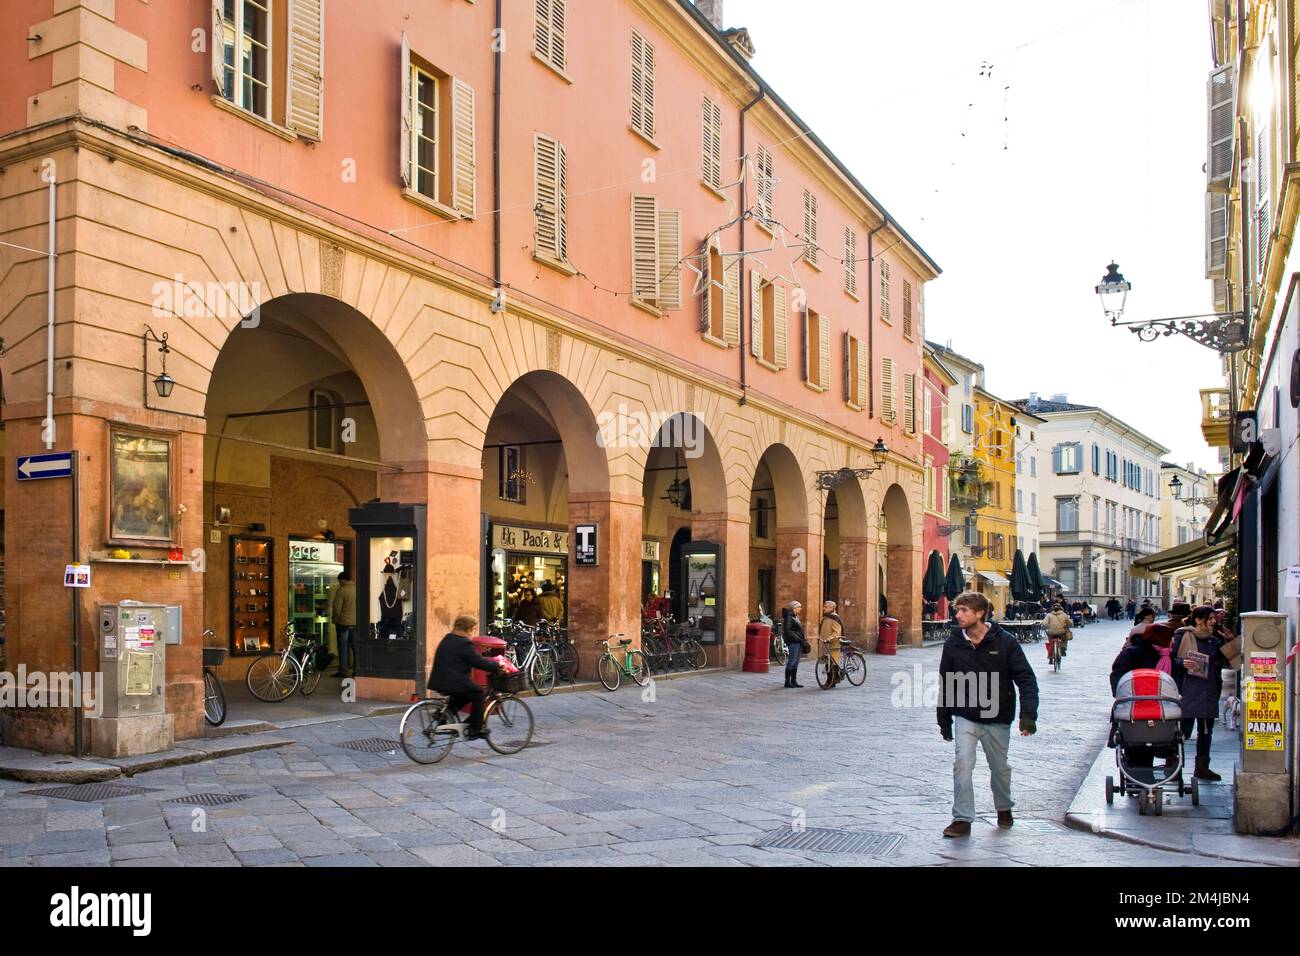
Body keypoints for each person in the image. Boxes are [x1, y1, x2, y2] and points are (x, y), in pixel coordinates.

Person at [937, 591, 1039, 838]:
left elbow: (1026, 679)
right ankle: (962, 819)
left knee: (999, 768)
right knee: (962, 763)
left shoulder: (1005, 642)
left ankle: (1004, 808)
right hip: (966, 715)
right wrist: (944, 720)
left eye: (964, 610)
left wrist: (1028, 715)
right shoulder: (953, 643)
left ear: (980, 613)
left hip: (998, 716)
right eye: (957, 610)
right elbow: (946, 682)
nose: (958, 615)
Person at [1173, 606, 1238, 781]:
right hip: (1187, 691)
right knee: (1182, 732)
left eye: (1213, 618)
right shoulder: (1182, 635)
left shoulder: (1214, 640)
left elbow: (1232, 662)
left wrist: (1230, 642)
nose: (1213, 621)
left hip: (1208, 690)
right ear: (1198, 619)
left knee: (1206, 731)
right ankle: (1174, 768)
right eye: (1210, 618)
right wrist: (1182, 662)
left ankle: (1202, 768)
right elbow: (1169, 659)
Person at [1109, 622, 1182, 768]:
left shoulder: (1170, 659)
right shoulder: (1133, 653)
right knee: (1137, 747)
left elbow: (1174, 682)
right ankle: (1141, 781)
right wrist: (1122, 694)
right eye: (1171, 637)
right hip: (1135, 708)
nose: (1173, 641)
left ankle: (1144, 780)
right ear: (1161, 638)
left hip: (1161, 711)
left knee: (1158, 741)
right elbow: (1117, 674)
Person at [427, 614, 502, 739]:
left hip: (440, 680)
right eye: (473, 629)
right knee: (478, 694)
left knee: (462, 696)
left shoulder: (448, 638)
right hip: (453, 681)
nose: (473, 632)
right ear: (468, 628)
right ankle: (474, 729)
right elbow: (477, 661)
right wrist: (496, 665)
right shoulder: (464, 643)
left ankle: (442, 716)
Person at [331, 571, 357, 678]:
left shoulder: (341, 591)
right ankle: (356, 670)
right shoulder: (357, 589)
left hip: (343, 623)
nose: (339, 583)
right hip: (355, 623)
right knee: (355, 647)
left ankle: (343, 670)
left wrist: (335, 619)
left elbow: (337, 608)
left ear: (342, 579)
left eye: (339, 580)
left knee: (343, 647)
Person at [781, 601, 810, 688]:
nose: (800, 609)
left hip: (798, 642)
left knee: (796, 662)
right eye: (799, 607)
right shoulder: (789, 617)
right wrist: (798, 639)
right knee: (792, 661)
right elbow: (788, 631)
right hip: (793, 642)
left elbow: (797, 630)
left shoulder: (795, 616)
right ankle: (787, 682)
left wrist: (802, 640)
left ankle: (793, 681)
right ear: (794, 608)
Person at [820, 600, 844, 687]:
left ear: (831, 608)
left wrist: (829, 639)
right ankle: (833, 681)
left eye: (825, 607)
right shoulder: (826, 617)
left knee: (832, 664)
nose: (823, 608)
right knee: (828, 663)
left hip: (833, 644)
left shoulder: (834, 618)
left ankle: (830, 682)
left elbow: (837, 633)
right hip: (826, 644)